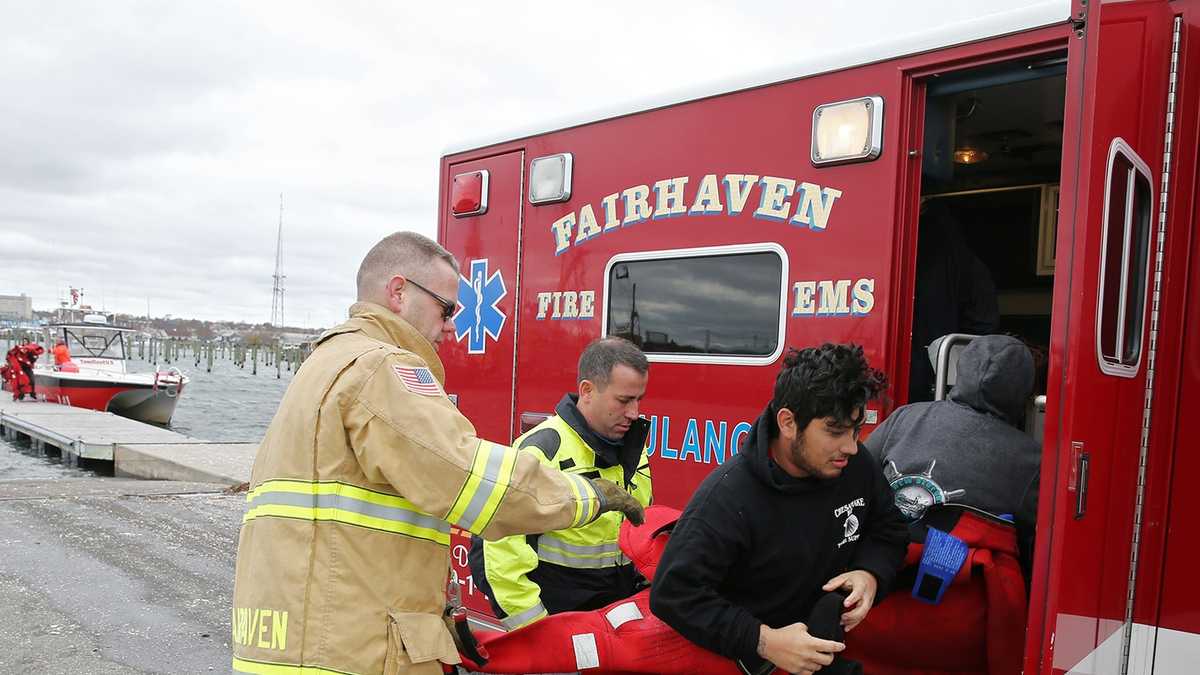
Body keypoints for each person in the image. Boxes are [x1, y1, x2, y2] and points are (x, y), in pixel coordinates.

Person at [231, 231, 646, 675]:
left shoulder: (324, 365)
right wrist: (589, 496)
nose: (452, 325)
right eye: (447, 309)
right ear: (398, 292)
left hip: (293, 642)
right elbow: (471, 480)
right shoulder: (382, 368)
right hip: (349, 651)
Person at [651, 343, 908, 675]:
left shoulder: (856, 467)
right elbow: (673, 595)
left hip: (827, 652)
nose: (850, 446)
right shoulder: (728, 498)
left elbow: (890, 530)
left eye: (856, 429)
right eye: (835, 430)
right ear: (788, 422)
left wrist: (870, 574)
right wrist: (764, 641)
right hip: (752, 662)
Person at [470, 337, 653, 629]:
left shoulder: (633, 450)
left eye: (638, 399)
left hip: (614, 625)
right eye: (624, 400)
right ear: (587, 391)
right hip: (558, 626)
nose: (634, 413)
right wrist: (537, 634)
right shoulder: (540, 452)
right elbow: (498, 558)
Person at [864, 334, 1041, 574]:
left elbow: (857, 480)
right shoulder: (1032, 459)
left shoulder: (904, 417)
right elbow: (1036, 546)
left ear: (962, 368)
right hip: (965, 599)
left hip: (880, 580)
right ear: (1025, 391)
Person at [909, 200, 999, 402]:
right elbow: (985, 324)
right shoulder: (973, 267)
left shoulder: (910, 264)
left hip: (912, 373)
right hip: (952, 377)